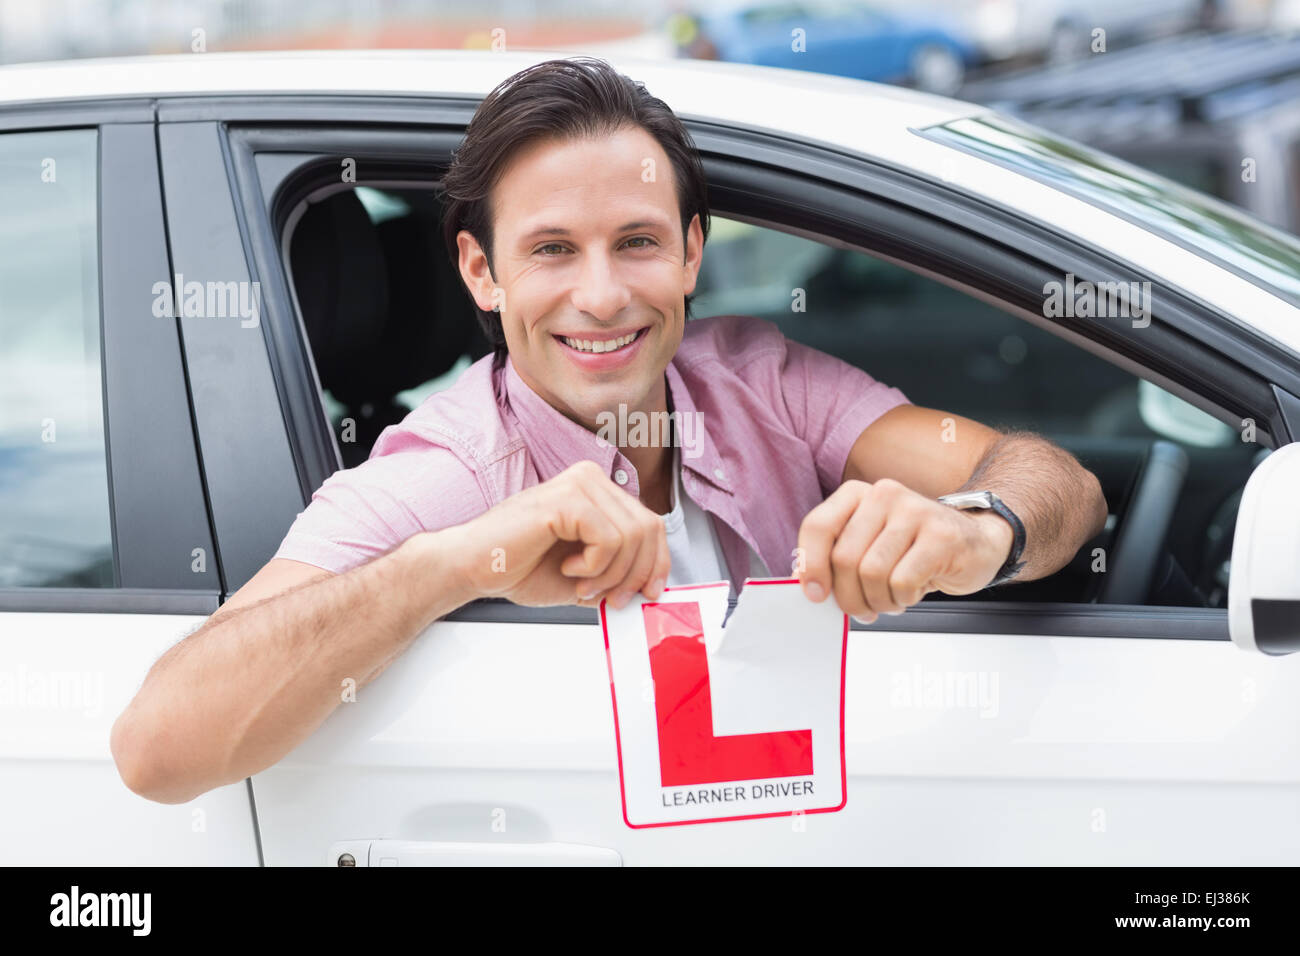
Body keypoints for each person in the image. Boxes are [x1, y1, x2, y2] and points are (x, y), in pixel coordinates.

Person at [111, 57, 1106, 805]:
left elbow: (1052, 480)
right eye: (550, 250)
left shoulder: (755, 377)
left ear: (689, 252)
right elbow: (159, 745)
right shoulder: (446, 468)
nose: (600, 296)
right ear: (481, 275)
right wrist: (457, 562)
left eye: (635, 242)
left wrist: (978, 530)